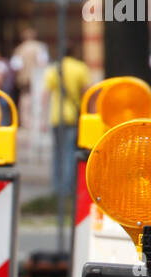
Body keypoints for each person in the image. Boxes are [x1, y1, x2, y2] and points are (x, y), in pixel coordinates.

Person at [44, 43, 90, 194]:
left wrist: (42, 119)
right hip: (73, 116)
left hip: (56, 116)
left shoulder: (54, 69)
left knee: (57, 153)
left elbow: (46, 94)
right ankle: (68, 189)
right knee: (70, 152)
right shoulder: (80, 67)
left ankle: (57, 188)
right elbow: (87, 93)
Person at [11, 26, 49, 128]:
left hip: (24, 79)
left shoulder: (19, 49)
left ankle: (26, 124)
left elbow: (15, 66)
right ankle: (41, 123)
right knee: (39, 101)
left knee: (25, 100)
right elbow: (43, 63)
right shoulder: (40, 47)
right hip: (38, 79)